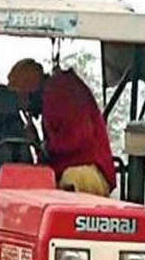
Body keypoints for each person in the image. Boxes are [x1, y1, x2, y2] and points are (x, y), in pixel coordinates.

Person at [41, 68, 117, 196]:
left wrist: (47, 148)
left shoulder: (60, 90)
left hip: (85, 172)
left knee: (68, 181)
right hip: (90, 171)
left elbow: (79, 136)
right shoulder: (62, 89)